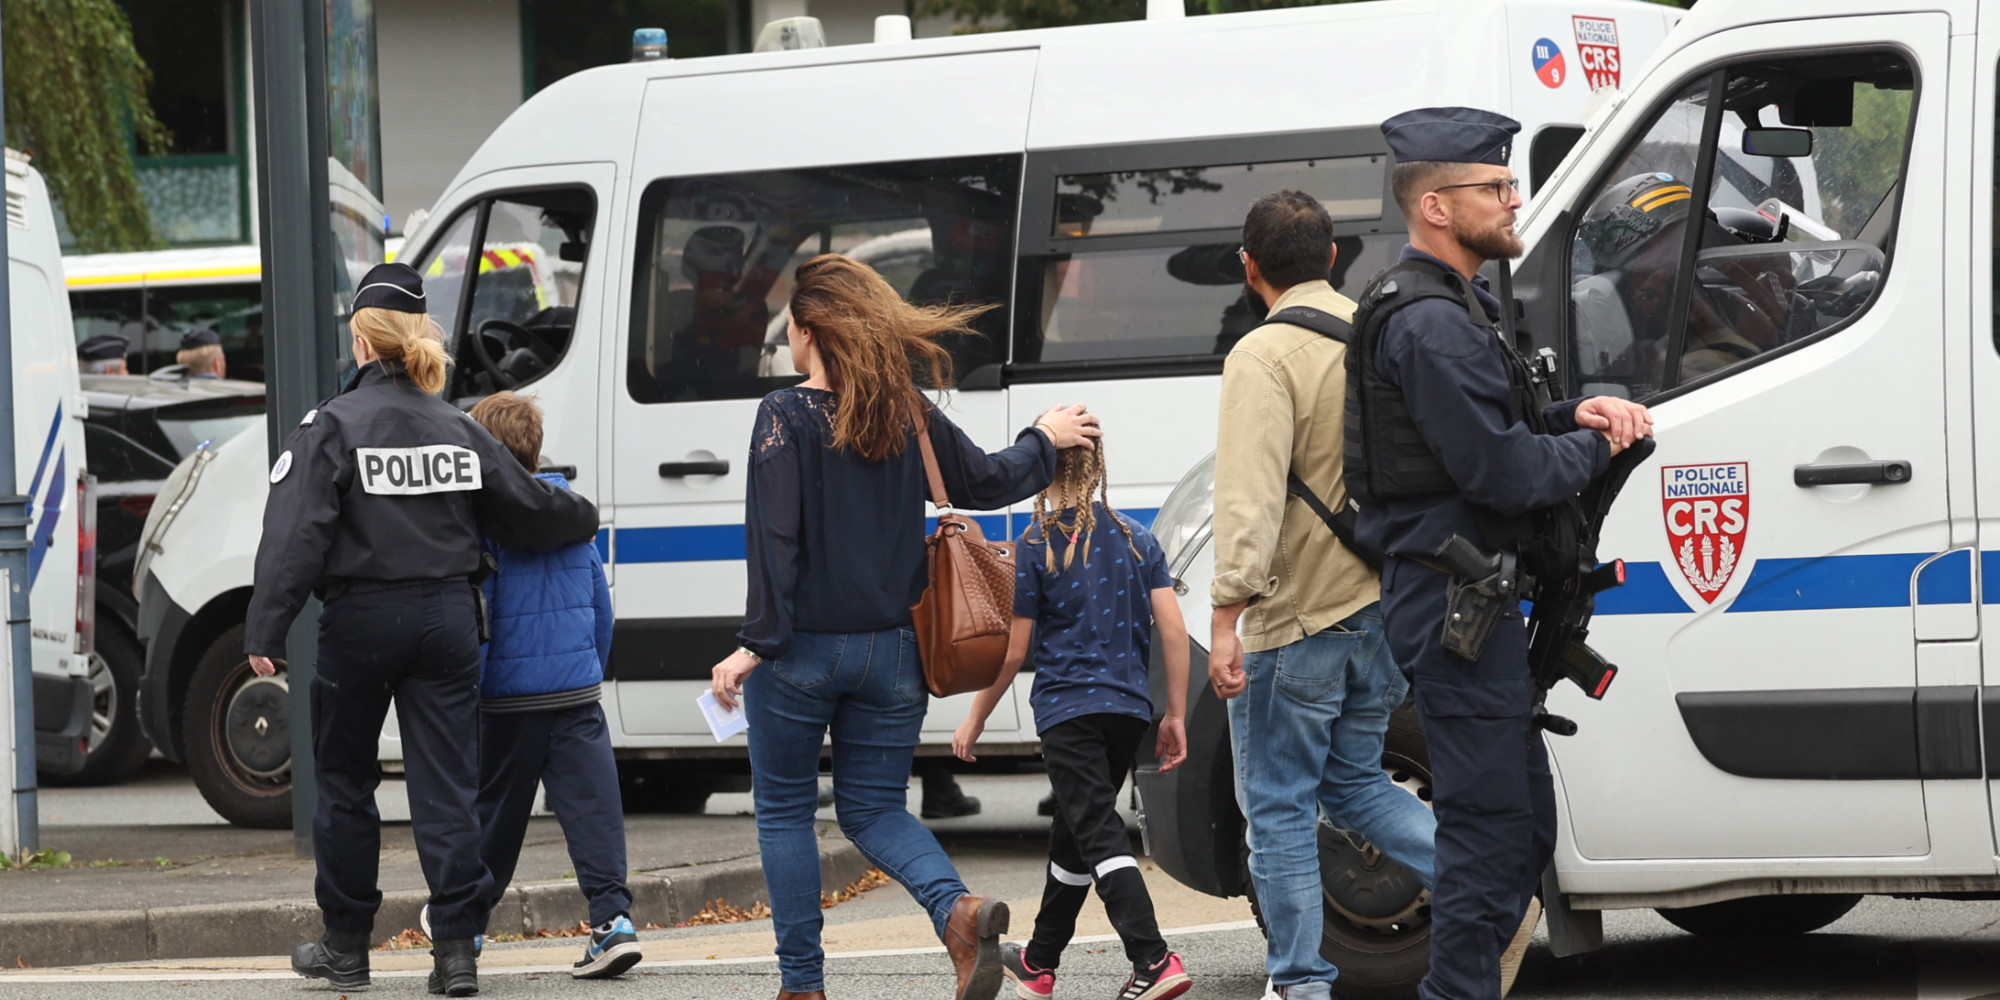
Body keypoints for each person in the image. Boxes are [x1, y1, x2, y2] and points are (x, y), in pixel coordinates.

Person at [709, 253, 1100, 1000]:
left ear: (810, 329)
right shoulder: (907, 410)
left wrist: (756, 642)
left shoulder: (783, 415)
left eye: (789, 325)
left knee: (785, 812)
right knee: (875, 809)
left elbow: (776, 541)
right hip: (893, 654)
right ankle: (957, 912)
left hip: (800, 654)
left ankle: (803, 986)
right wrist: (1045, 438)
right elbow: (985, 479)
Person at [1352, 108, 1651, 1000]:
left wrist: (1572, 415)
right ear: (1436, 206)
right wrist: (1596, 446)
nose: (1513, 199)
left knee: (1520, 832)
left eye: (1510, 182)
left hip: (1471, 599)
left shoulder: (1459, 307)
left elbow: (1496, 432)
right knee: (1487, 835)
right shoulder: (1430, 324)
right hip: (1455, 604)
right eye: (1495, 186)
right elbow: (1501, 473)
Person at [245, 262, 601, 997]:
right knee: (448, 784)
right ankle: (457, 952)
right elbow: (528, 508)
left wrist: (266, 629)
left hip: (360, 623)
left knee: (345, 781)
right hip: (447, 622)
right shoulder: (456, 427)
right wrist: (584, 514)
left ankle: (347, 948)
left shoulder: (331, 426)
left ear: (362, 342)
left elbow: (294, 535)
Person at [1205, 190, 1440, 1000]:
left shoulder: (1262, 355)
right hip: (1383, 607)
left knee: (1276, 808)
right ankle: (1486, 881)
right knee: (1356, 784)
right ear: (1333, 257)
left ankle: (1299, 984)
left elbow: (1248, 499)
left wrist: (1226, 617)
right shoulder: (1378, 333)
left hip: (1297, 617)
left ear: (1249, 267)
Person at [952, 435, 1194, 1000]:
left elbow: (1015, 651)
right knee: (1076, 832)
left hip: (1068, 712)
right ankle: (1039, 963)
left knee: (1098, 832)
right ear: (1096, 465)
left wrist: (975, 717)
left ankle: (1153, 959)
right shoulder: (1137, 538)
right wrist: (1176, 713)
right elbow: (1175, 632)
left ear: (1042, 469)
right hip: (1128, 712)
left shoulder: (1036, 544)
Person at [464, 390, 640, 980]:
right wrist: (588, 670)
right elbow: (600, 611)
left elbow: (479, 619)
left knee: (495, 819)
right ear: (534, 453)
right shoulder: (572, 518)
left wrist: (472, 696)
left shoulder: (480, 525)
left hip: (507, 700)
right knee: (594, 812)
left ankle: (468, 929)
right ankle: (613, 922)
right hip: (575, 696)